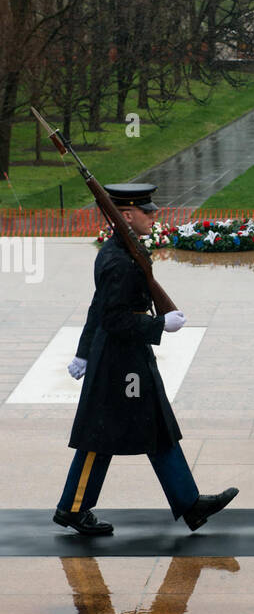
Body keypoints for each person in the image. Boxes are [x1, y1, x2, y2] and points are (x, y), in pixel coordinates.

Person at [54, 183, 237, 537]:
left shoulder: (125, 251)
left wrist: (83, 348)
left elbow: (99, 308)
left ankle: (189, 503)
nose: (155, 216)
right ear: (126, 216)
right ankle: (73, 507)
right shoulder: (118, 261)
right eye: (147, 212)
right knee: (100, 433)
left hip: (128, 356)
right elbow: (113, 317)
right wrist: (158, 324)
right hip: (117, 362)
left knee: (156, 425)